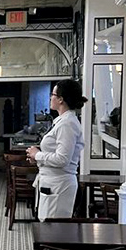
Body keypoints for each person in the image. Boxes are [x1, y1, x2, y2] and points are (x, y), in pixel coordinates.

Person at [26, 80, 86, 221]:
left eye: (52, 94)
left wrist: (38, 154)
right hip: (51, 182)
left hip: (60, 184)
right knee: (46, 227)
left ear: (61, 99)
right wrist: (37, 159)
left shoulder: (68, 124)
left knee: (53, 231)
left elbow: (62, 159)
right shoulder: (61, 121)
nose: (50, 98)